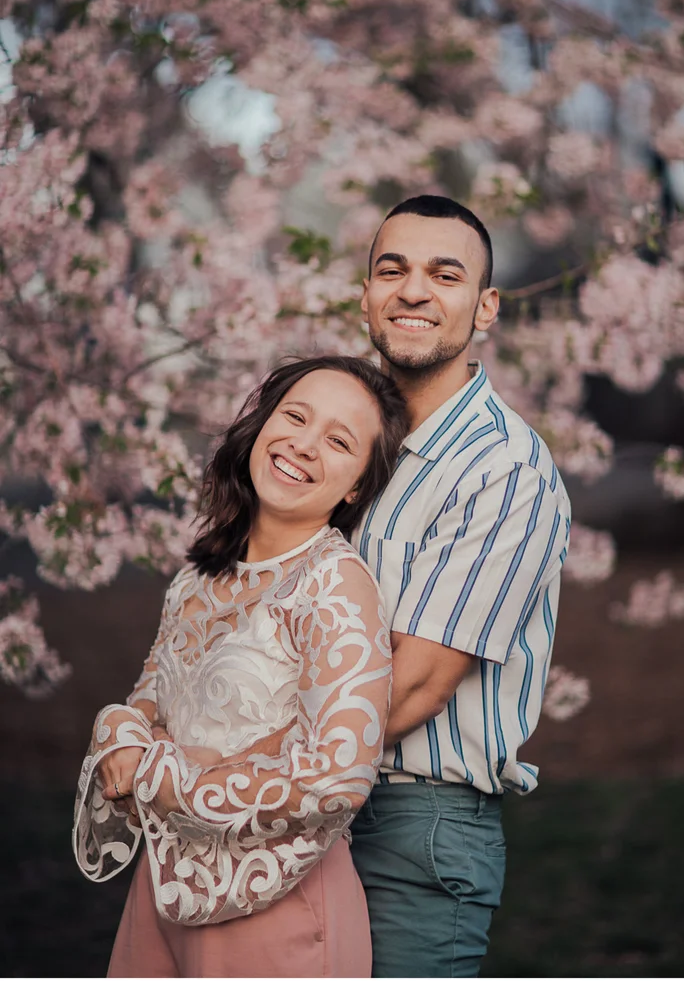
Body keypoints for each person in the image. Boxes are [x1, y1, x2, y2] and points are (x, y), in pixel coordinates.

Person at [74, 355, 410, 976]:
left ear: (358, 485)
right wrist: (123, 732)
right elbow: (154, 695)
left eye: (338, 441)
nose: (304, 446)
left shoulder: (334, 584)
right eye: (295, 417)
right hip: (164, 884)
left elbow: (340, 777)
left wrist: (169, 784)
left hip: (278, 900)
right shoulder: (198, 577)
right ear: (260, 426)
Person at [348, 195, 572, 977]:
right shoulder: (336, 442)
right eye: (392, 269)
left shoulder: (502, 468)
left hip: (413, 819)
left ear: (484, 308)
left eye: (444, 274)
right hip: (314, 799)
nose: (413, 290)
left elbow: (417, 687)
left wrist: (251, 776)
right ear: (366, 294)